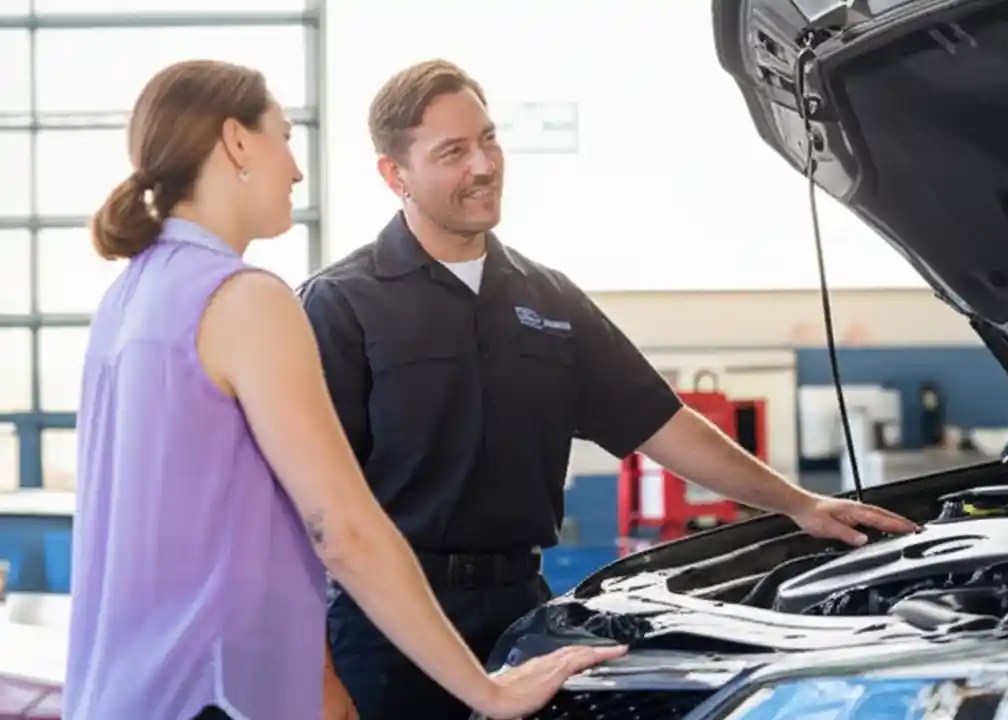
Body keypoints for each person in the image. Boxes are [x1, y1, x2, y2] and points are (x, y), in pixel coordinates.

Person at [299, 58, 920, 720]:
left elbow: (659, 421)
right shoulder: (342, 306)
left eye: (489, 139)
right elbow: (302, 505)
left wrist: (797, 504)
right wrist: (320, 671)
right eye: (453, 152)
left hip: (520, 612)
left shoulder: (549, 299)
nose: (483, 165)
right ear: (395, 175)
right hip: (388, 622)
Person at [64, 59, 623, 720]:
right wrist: (489, 691)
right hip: (217, 694)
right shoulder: (244, 299)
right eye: (285, 137)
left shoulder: (128, 298)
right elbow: (344, 531)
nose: (296, 171)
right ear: (237, 142)